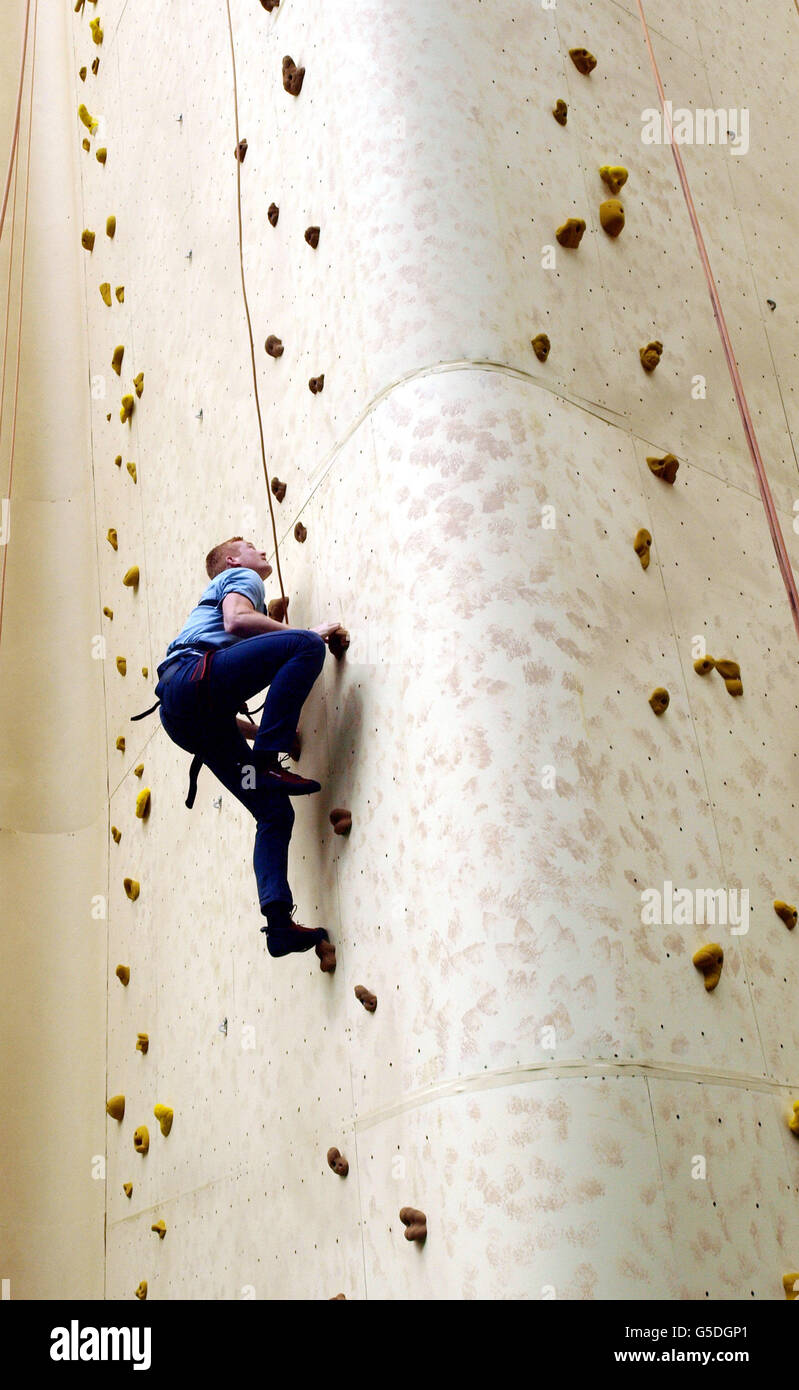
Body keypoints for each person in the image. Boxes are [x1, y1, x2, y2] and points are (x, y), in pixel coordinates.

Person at [153, 535, 342, 963]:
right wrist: (303, 633)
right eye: (252, 545)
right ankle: (270, 763)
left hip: (188, 716)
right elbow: (238, 621)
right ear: (233, 560)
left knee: (273, 811)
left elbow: (215, 716)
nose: (262, 551)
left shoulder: (219, 606)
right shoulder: (241, 578)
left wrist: (260, 735)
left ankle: (278, 926)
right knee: (306, 645)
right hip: (194, 684)